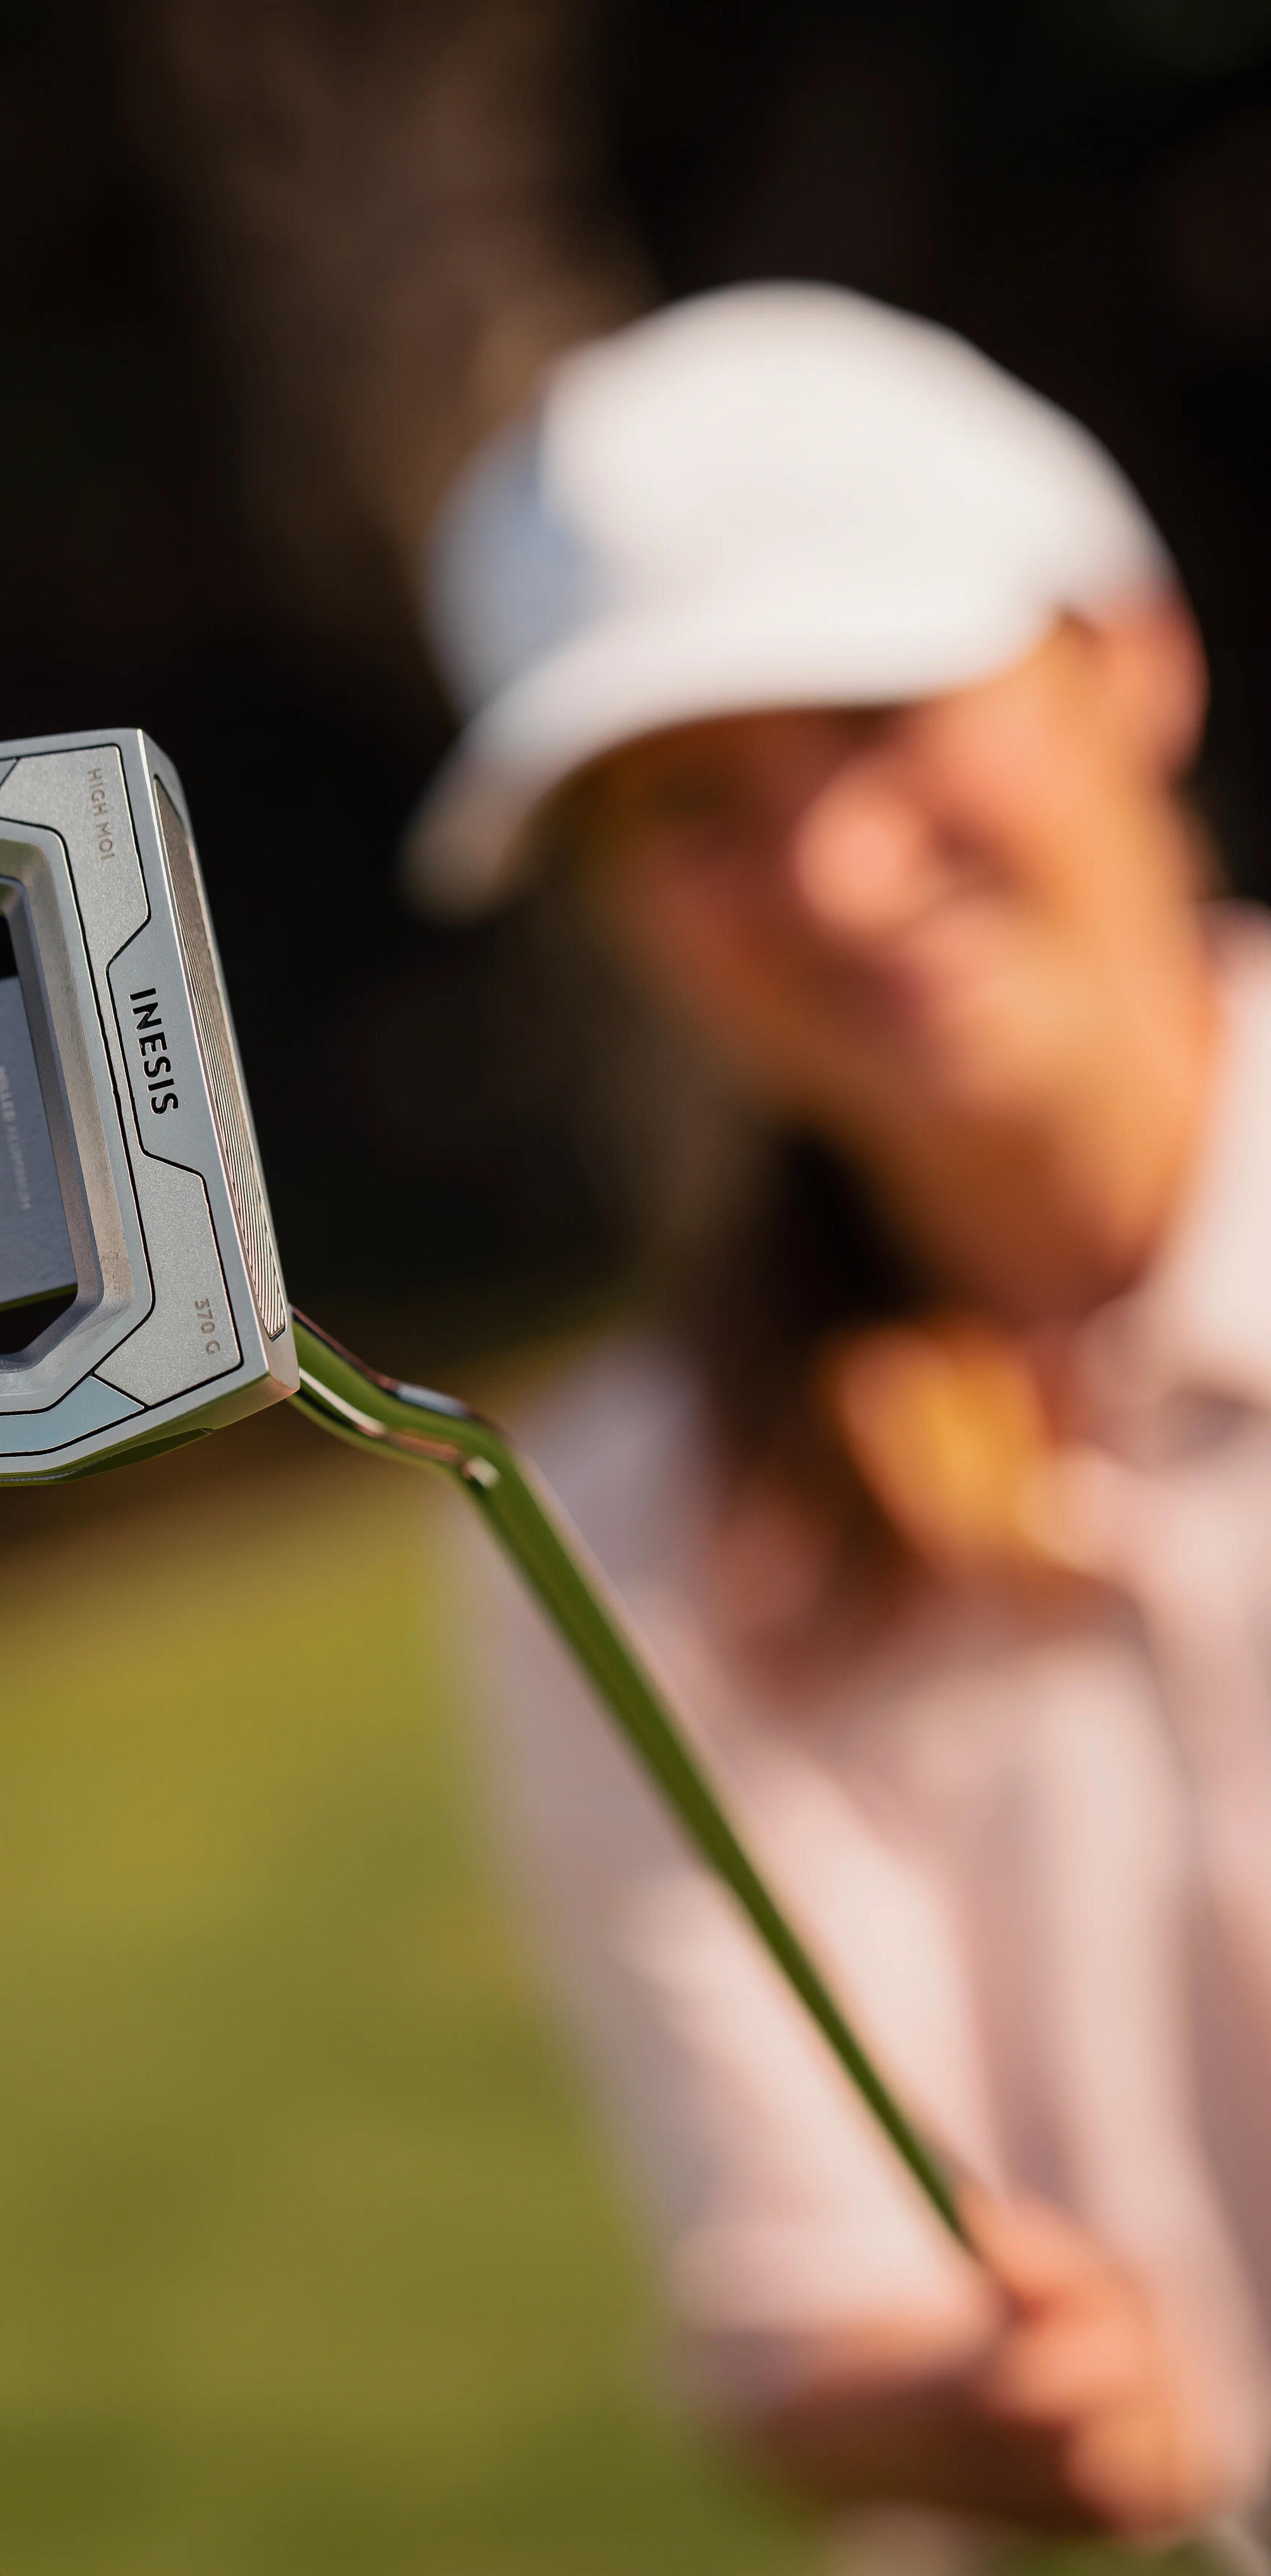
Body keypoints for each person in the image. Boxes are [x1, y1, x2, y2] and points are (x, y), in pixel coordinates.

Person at [409, 282, 1271, 2547]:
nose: (834, 876)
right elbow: (806, 2310)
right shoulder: (609, 1519)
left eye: (883, 714)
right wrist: (961, 2411)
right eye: (687, 807)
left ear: (1131, 658)